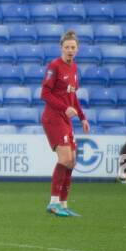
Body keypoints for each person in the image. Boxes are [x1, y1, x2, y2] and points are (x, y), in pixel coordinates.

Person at [40, 29, 89, 217]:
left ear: (77, 49)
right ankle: (53, 203)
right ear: (61, 48)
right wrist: (64, 108)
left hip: (65, 119)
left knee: (72, 161)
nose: (70, 50)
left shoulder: (74, 68)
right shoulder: (54, 66)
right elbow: (45, 93)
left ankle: (63, 203)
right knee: (65, 159)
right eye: (67, 47)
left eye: (73, 47)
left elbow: (72, 95)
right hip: (53, 118)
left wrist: (82, 117)